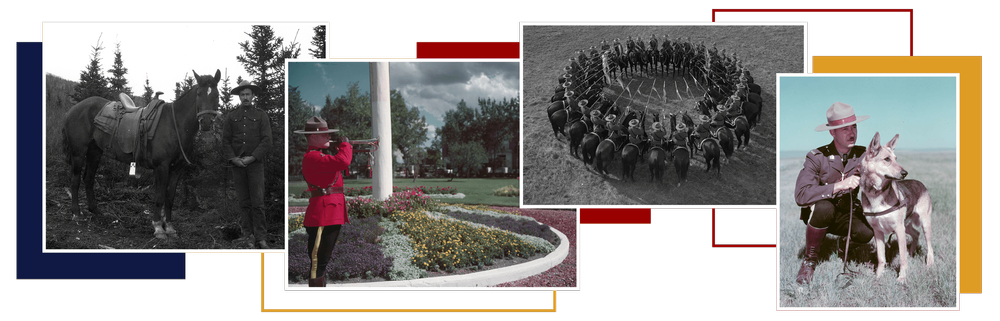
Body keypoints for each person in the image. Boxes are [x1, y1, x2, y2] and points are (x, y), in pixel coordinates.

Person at [793, 102, 874, 285]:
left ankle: (844, 245)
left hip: (847, 214)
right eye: (844, 129)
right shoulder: (817, 157)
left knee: (867, 232)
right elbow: (801, 195)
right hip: (820, 215)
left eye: (854, 126)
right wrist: (838, 186)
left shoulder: (863, 155)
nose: (852, 132)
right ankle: (810, 261)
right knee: (824, 207)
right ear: (832, 132)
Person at [294, 116, 352, 287]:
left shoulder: (320, 156)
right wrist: (345, 145)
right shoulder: (312, 157)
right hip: (322, 215)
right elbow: (344, 161)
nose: (329, 137)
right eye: (325, 134)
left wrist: (342, 148)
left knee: (322, 262)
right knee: (317, 264)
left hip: (331, 212)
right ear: (313, 137)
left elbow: (341, 166)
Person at [222, 80, 272, 249]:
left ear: (253, 96)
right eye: (242, 95)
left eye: (248, 94)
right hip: (238, 165)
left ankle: (260, 238)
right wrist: (234, 159)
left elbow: (267, 141)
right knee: (244, 202)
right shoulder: (231, 116)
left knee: (258, 203)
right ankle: (247, 236)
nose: (245, 97)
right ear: (239, 97)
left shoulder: (261, 115)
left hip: (255, 165)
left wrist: (252, 158)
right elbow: (226, 141)